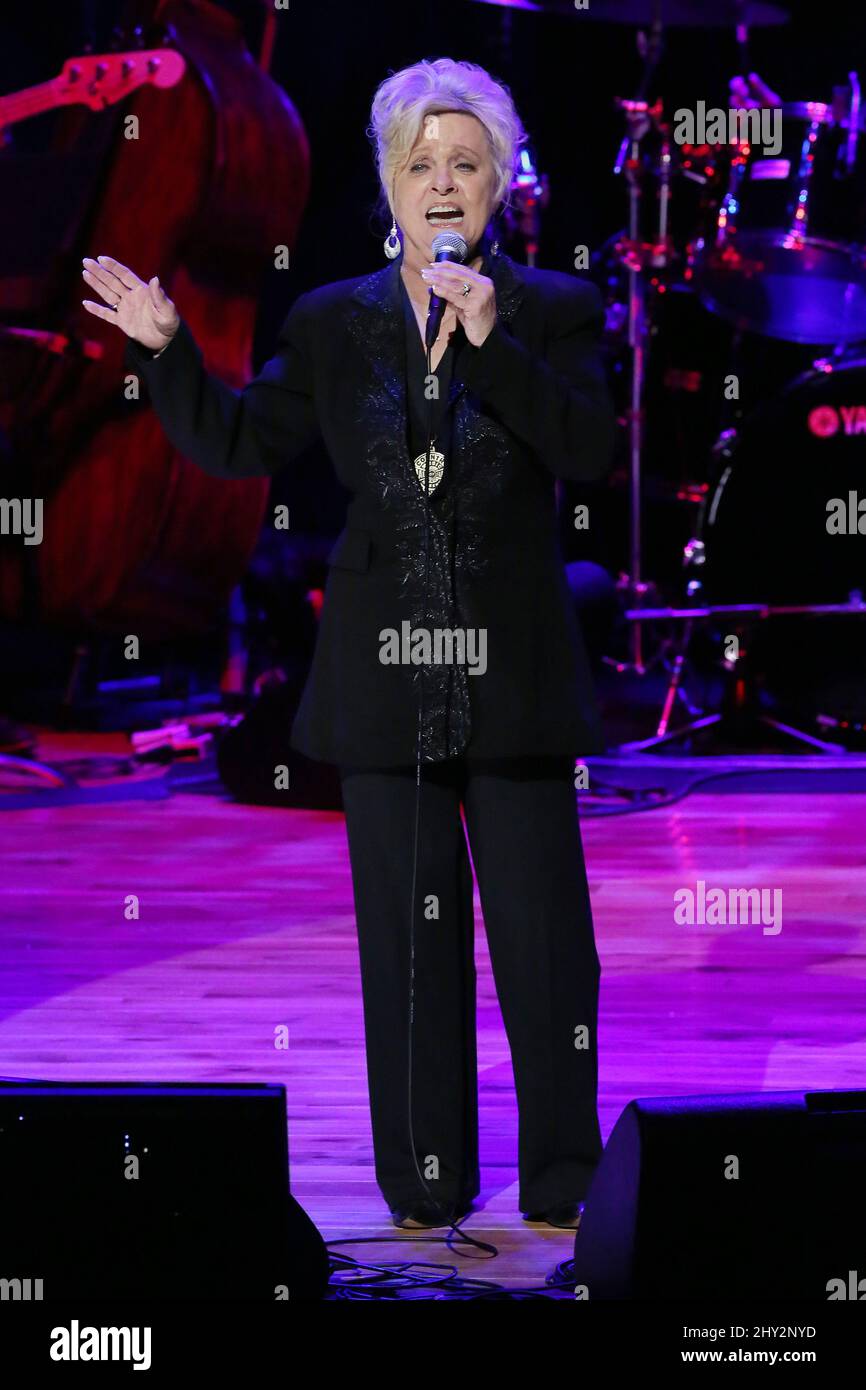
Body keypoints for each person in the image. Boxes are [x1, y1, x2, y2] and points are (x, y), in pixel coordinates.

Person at [81, 57, 615, 1232]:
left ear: (501, 185)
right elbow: (235, 440)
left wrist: (491, 343)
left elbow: (586, 452)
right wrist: (167, 350)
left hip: (514, 676)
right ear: (385, 182)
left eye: (463, 164)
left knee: (542, 950)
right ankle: (423, 1178)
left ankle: (565, 1176)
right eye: (418, 164)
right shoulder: (332, 323)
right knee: (411, 951)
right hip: (384, 680)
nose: (440, 183)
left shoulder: (557, 312)